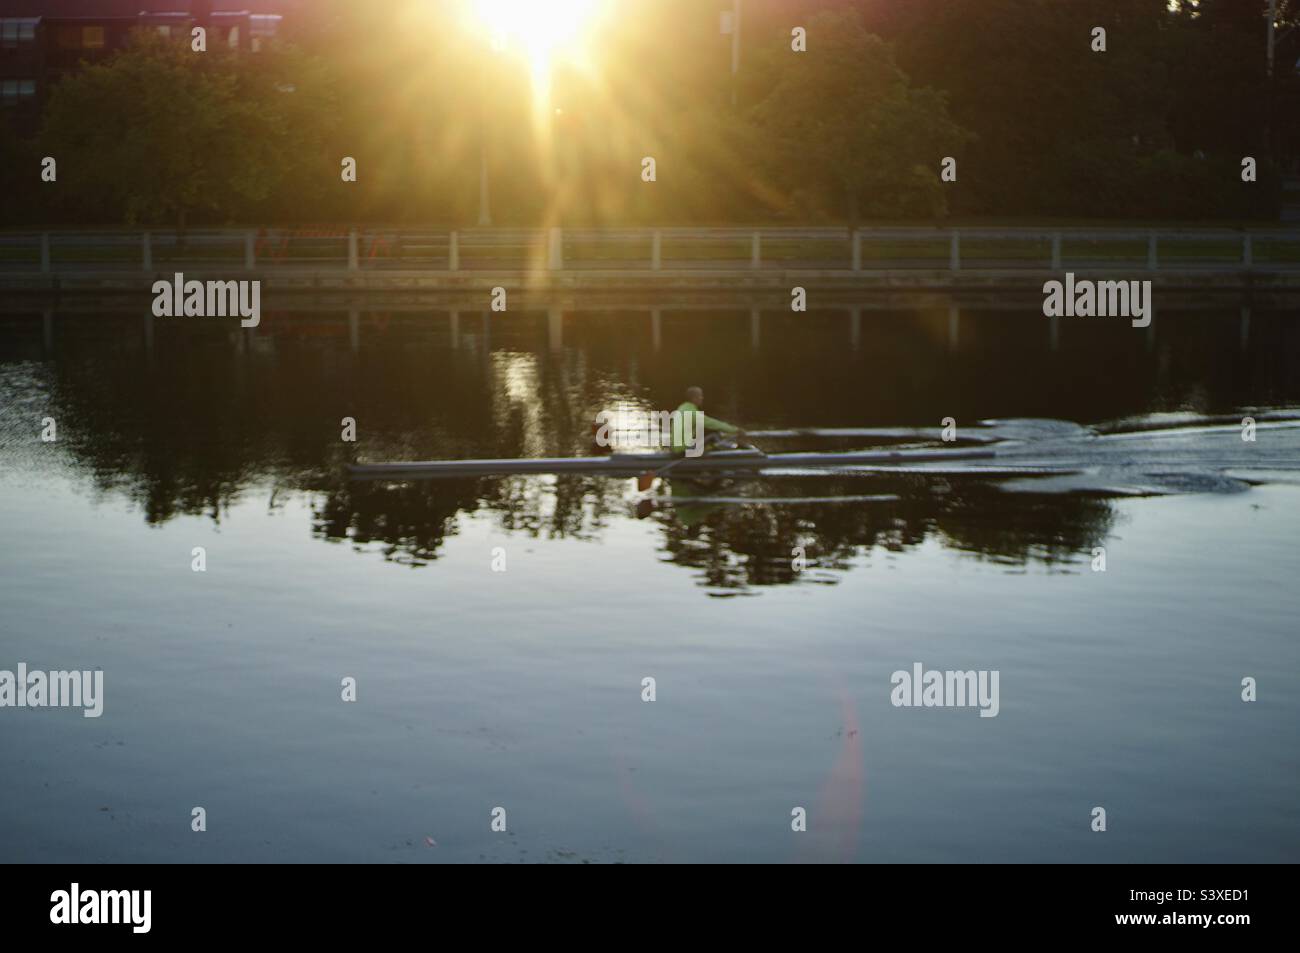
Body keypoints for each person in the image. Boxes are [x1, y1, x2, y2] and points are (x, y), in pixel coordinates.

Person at [671, 386, 745, 454]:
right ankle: (723, 455)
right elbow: (714, 424)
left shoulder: (682, 408)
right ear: (694, 398)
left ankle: (717, 450)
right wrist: (735, 430)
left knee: (707, 431)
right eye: (700, 396)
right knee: (713, 433)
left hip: (676, 448)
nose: (702, 398)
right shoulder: (691, 413)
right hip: (683, 449)